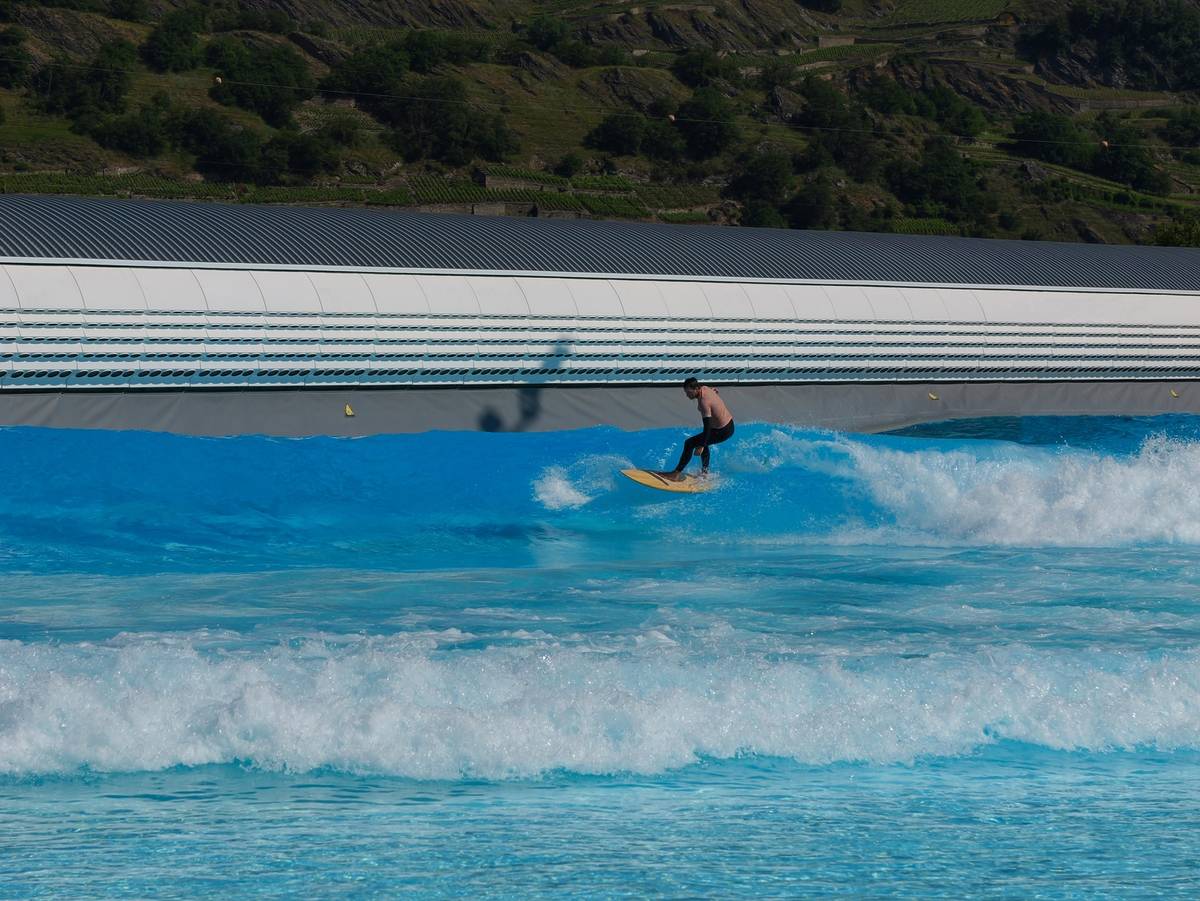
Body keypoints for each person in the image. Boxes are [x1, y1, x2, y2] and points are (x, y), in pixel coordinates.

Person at [667, 377, 734, 480]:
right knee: (703, 440)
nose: (687, 395)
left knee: (689, 443)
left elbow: (707, 427)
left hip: (723, 431)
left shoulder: (704, 402)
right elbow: (712, 391)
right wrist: (714, 392)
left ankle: (675, 474)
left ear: (696, 389)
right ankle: (705, 472)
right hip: (729, 424)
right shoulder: (705, 388)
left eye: (689, 392)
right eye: (686, 392)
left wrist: (701, 445)